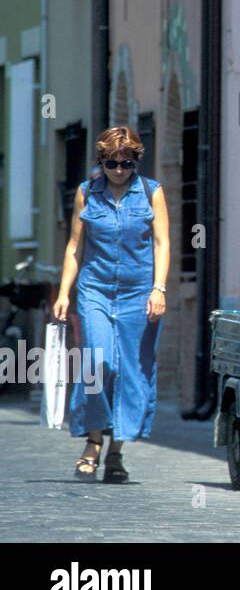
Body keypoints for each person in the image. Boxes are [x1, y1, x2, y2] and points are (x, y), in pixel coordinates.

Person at [51, 127, 171, 483]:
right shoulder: (87, 193)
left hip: (139, 292)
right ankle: (92, 441)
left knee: (131, 371)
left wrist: (159, 289)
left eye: (127, 163)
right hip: (95, 290)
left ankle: (116, 453)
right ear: (100, 161)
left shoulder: (152, 192)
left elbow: (162, 244)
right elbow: (75, 246)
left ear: (136, 160)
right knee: (98, 361)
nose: (119, 170)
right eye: (112, 163)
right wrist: (63, 293)